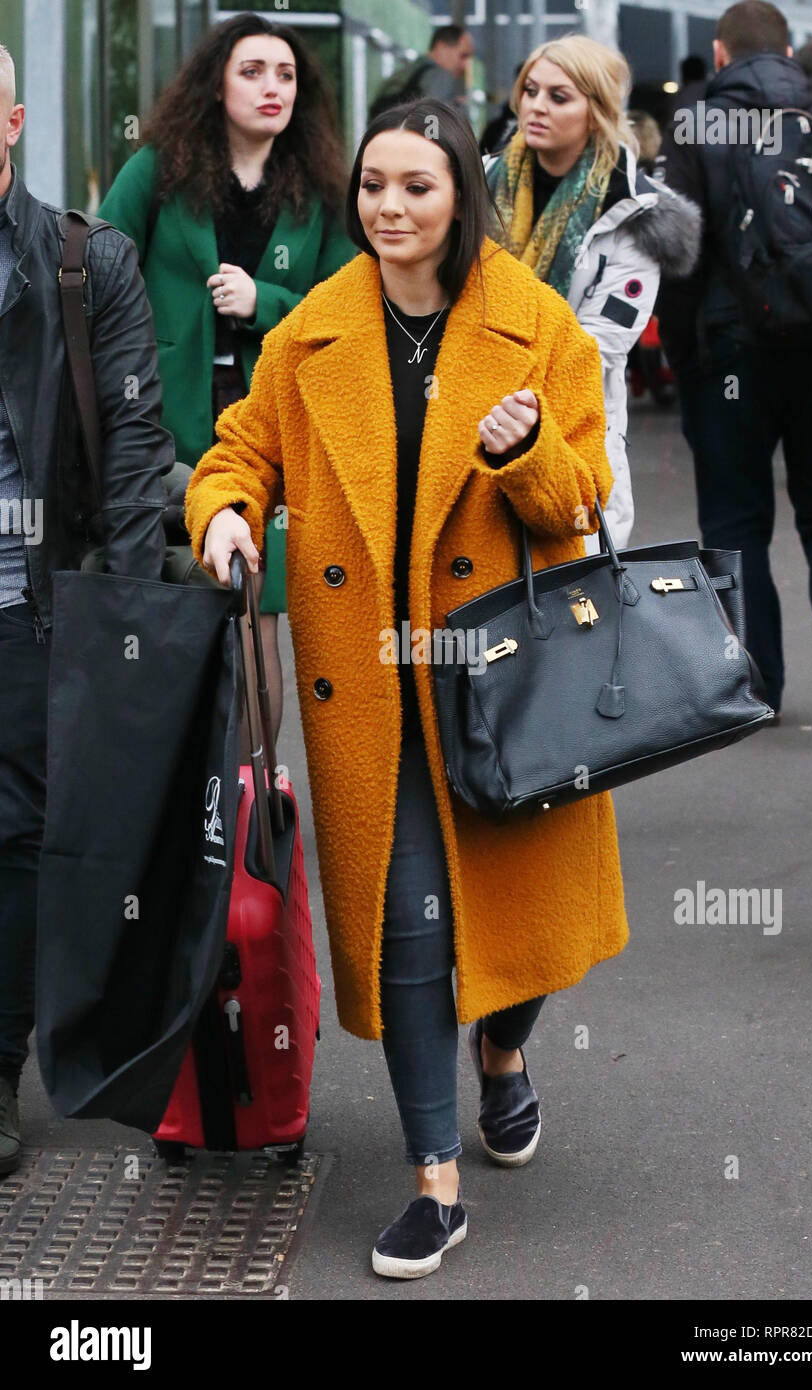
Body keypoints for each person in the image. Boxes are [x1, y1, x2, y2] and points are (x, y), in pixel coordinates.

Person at [185, 98, 630, 1279]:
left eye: (415, 188)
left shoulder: (533, 324)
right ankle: (433, 1179)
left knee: (526, 937)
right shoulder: (314, 331)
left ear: (457, 199)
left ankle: (503, 1056)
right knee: (411, 932)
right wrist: (223, 510)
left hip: (502, 676)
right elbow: (242, 447)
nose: (388, 207)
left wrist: (523, 452)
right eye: (373, 186)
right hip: (371, 693)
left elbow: (583, 491)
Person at [0, 43, 173, 1174]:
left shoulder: (83, 261)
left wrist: (122, 625)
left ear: (10, 123)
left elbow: (135, 450)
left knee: (15, 841)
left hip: (30, 606)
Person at [98, 12, 356, 741]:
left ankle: (253, 800)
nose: (271, 88)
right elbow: (99, 268)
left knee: (258, 617)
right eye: (252, 72)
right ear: (216, 85)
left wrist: (265, 302)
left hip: (270, 436)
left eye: (285, 75)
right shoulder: (158, 166)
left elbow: (345, 312)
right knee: (174, 608)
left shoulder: (321, 186)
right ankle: (179, 805)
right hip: (162, 427)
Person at [654, 0, 812, 716]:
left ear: (720, 54)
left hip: (734, 351)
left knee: (737, 516)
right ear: (792, 51)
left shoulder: (696, 123)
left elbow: (676, 253)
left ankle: (756, 676)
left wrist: (682, 357)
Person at [483, 35, 701, 551]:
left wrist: (499, 374)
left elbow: (599, 346)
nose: (536, 106)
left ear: (596, 110)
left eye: (559, 97)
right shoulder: (479, 181)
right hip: (464, 421)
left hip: (573, 431)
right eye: (531, 90)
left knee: (573, 605)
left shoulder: (635, 211)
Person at [368, 24, 474, 122]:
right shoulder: (438, 74)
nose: (465, 65)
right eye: (463, 56)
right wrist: (459, 109)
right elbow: (436, 126)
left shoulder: (413, 71)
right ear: (442, 47)